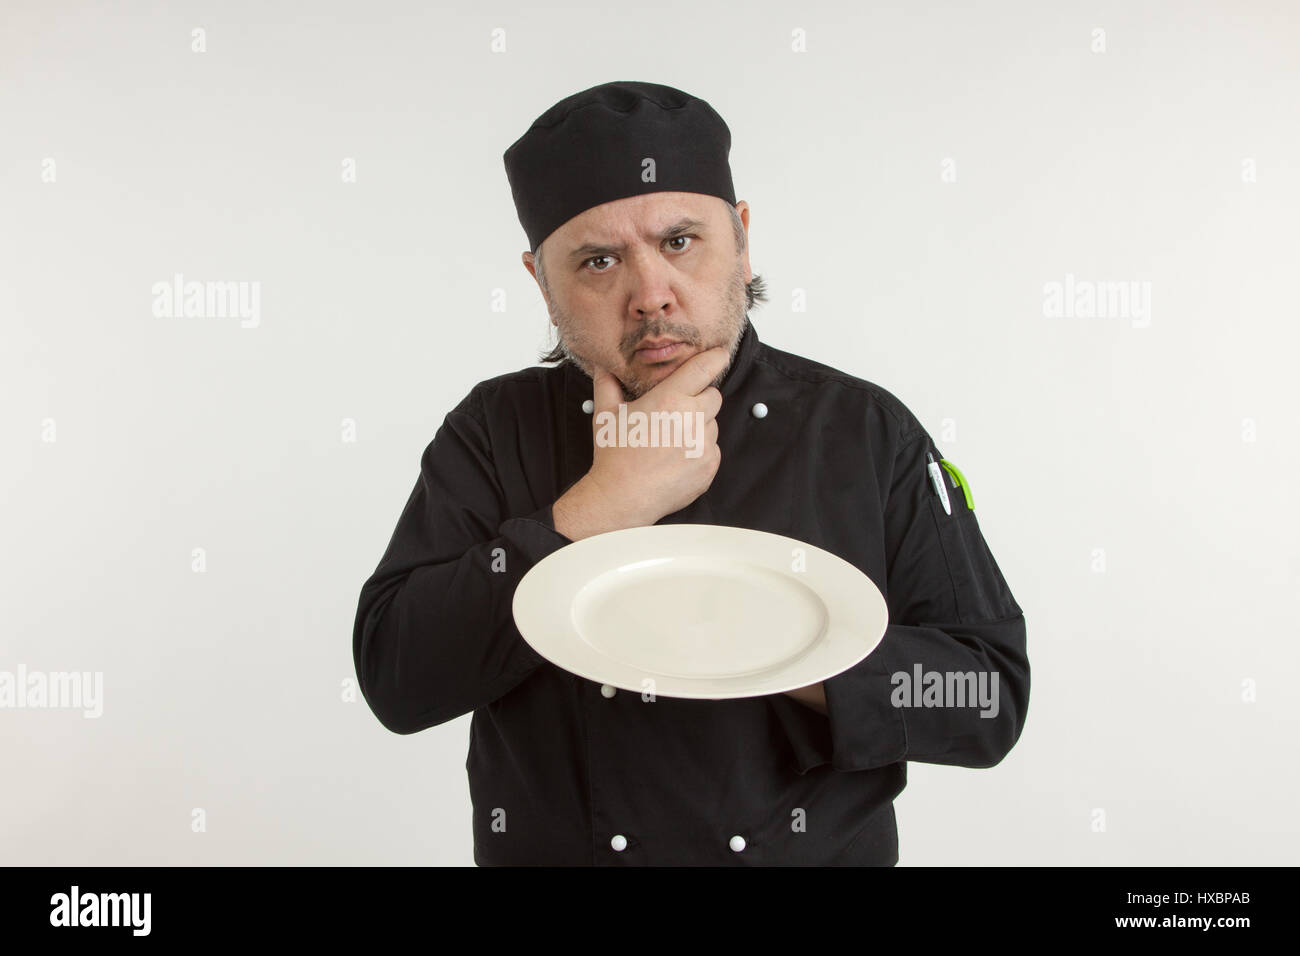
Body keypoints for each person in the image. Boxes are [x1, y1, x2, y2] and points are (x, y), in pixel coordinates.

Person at [352, 80, 1029, 865]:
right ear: (541, 279)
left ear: (741, 239)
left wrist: (792, 647)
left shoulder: (864, 430)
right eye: (599, 260)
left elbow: (984, 698)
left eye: (679, 241)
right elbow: (397, 679)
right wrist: (601, 507)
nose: (650, 295)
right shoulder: (493, 431)